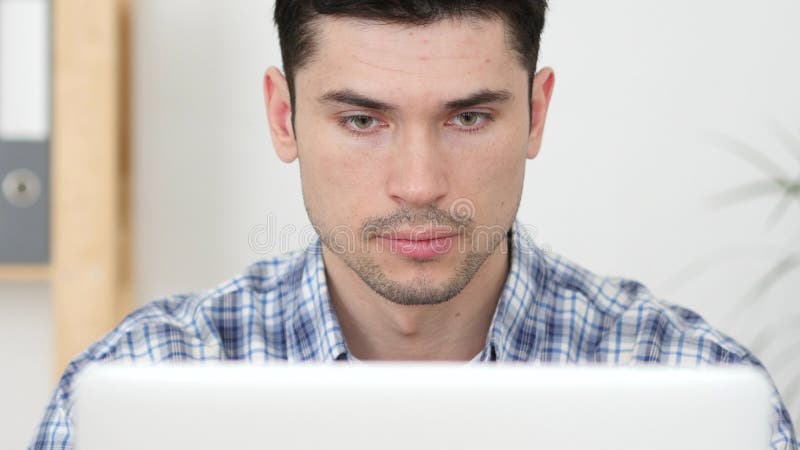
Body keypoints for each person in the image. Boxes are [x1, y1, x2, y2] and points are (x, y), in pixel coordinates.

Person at [30, 1, 797, 449]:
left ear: (535, 113)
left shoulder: (689, 388)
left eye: (469, 116)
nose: (420, 185)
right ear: (282, 115)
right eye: (362, 120)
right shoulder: (145, 386)